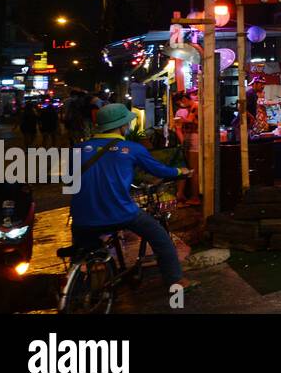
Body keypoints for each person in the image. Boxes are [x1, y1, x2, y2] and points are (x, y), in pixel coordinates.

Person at [70, 103, 196, 291]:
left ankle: (77, 289)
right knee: (161, 238)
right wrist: (181, 171)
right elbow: (158, 169)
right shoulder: (131, 148)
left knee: (80, 252)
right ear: (122, 126)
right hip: (119, 213)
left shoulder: (78, 149)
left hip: (81, 217)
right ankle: (176, 281)